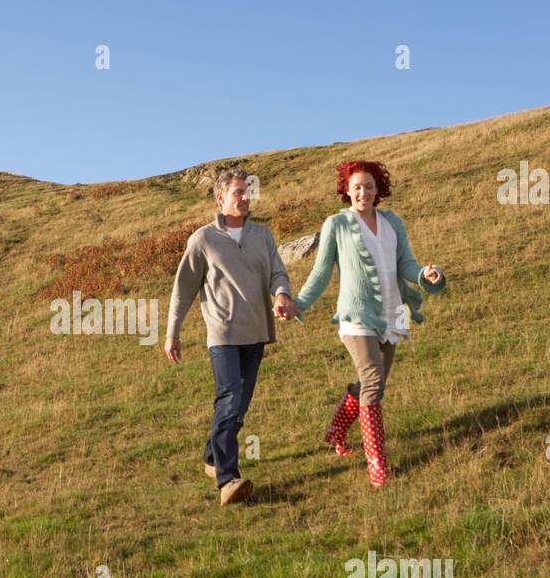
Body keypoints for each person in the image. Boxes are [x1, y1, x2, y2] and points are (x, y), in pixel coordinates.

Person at [293, 160, 446, 487]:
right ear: (346, 190)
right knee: (374, 383)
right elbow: (321, 274)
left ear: (379, 190)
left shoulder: (392, 222)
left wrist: (424, 275)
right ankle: (378, 466)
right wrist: (298, 303)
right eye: (357, 186)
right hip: (356, 318)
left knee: (369, 385)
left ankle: (336, 429)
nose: (363, 192)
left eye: (369, 186)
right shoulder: (336, 224)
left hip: (392, 315)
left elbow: (406, 263)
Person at [165, 168, 297, 505]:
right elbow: (183, 291)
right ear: (220, 197)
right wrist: (172, 333)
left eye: (247, 191)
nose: (245, 197)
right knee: (228, 399)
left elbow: (277, 273)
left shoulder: (263, 236)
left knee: (238, 407)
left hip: (257, 332)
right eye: (238, 192)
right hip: (222, 334)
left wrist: (281, 294)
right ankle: (228, 480)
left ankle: (212, 457)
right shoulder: (203, 239)